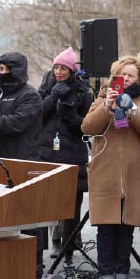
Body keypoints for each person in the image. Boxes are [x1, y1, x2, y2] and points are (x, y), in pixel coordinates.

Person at [82, 55, 140, 279]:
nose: (126, 79)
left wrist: (132, 108)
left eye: (131, 75)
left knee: (126, 231)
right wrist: (108, 107)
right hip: (106, 176)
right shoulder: (101, 100)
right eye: (122, 74)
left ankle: (123, 278)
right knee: (106, 230)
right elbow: (87, 127)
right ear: (115, 76)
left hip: (133, 177)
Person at [0, 52, 44, 279]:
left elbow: (18, 122)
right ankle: (6, 268)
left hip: (24, 163)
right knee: (2, 219)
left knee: (28, 220)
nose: (3, 73)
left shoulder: (30, 96)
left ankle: (33, 271)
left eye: (7, 69)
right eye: (0, 69)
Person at [36, 46, 93, 265]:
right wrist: (52, 97)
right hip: (47, 154)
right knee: (46, 203)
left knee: (72, 205)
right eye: (56, 67)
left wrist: (69, 115)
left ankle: (69, 248)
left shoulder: (82, 94)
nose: (58, 72)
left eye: (63, 68)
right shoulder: (45, 89)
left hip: (72, 155)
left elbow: (87, 127)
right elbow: (37, 117)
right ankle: (48, 244)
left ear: (71, 71)